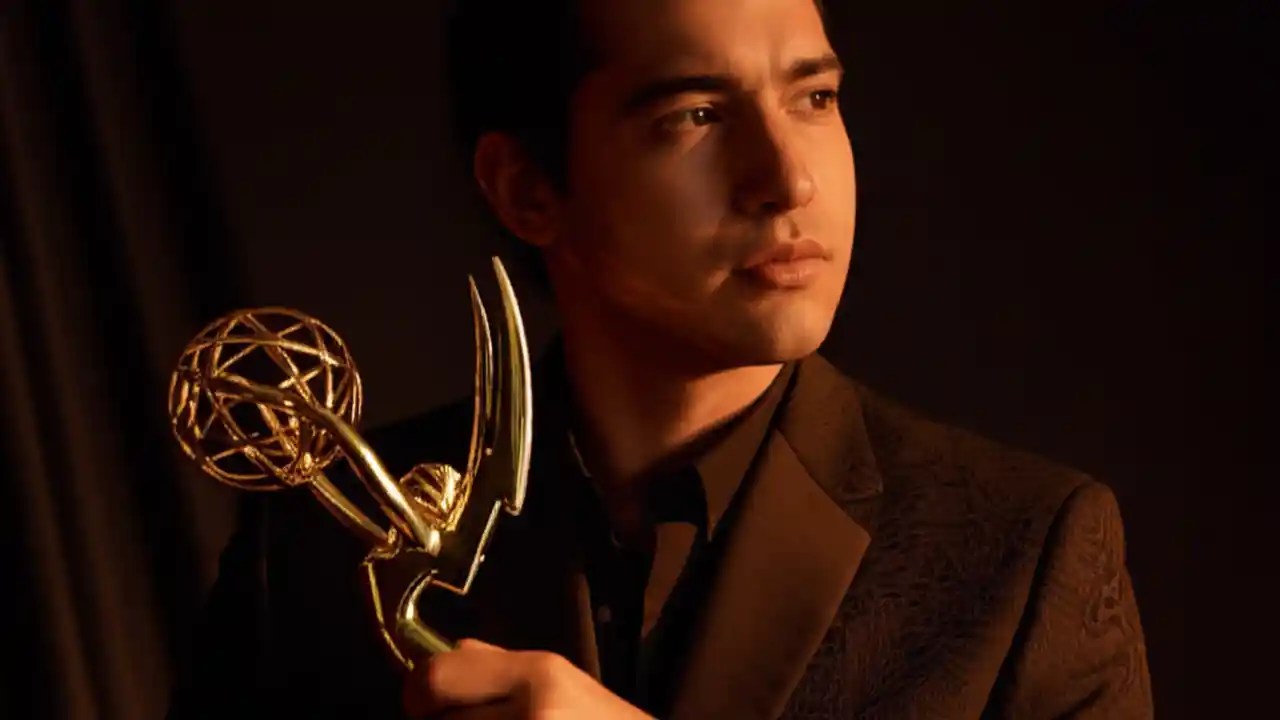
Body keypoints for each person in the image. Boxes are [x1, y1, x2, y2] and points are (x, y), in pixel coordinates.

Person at [167, 0, 1153, 718]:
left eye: (813, 96)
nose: (787, 179)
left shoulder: (1020, 551)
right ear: (524, 189)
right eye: (694, 115)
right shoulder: (304, 560)